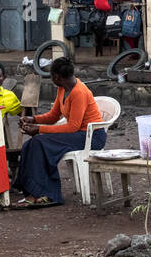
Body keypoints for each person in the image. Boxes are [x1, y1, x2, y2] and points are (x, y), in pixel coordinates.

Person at [13, 57, 106, 207]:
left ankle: (48, 194)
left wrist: (39, 129)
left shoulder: (79, 92)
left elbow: (72, 127)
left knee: (39, 142)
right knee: (30, 145)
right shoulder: (62, 88)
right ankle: (33, 192)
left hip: (91, 137)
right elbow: (53, 116)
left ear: (56, 76)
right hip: (78, 135)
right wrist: (33, 119)